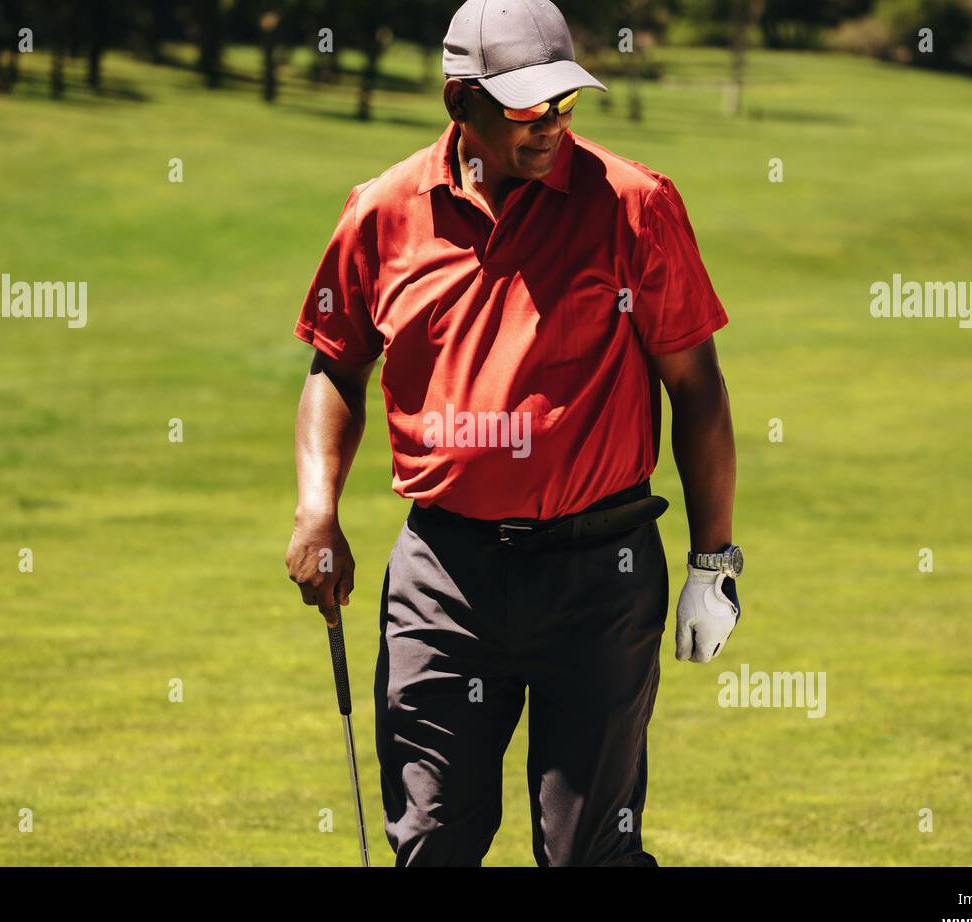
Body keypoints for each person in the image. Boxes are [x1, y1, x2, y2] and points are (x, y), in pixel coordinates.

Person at [286, 0, 742, 866]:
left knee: (587, 853)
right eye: (529, 108)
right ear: (461, 100)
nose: (552, 125)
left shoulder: (634, 204)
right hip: (443, 577)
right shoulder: (382, 212)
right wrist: (317, 511)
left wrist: (713, 562)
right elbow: (335, 367)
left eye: (565, 103)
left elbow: (697, 386)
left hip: (599, 574)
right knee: (431, 841)